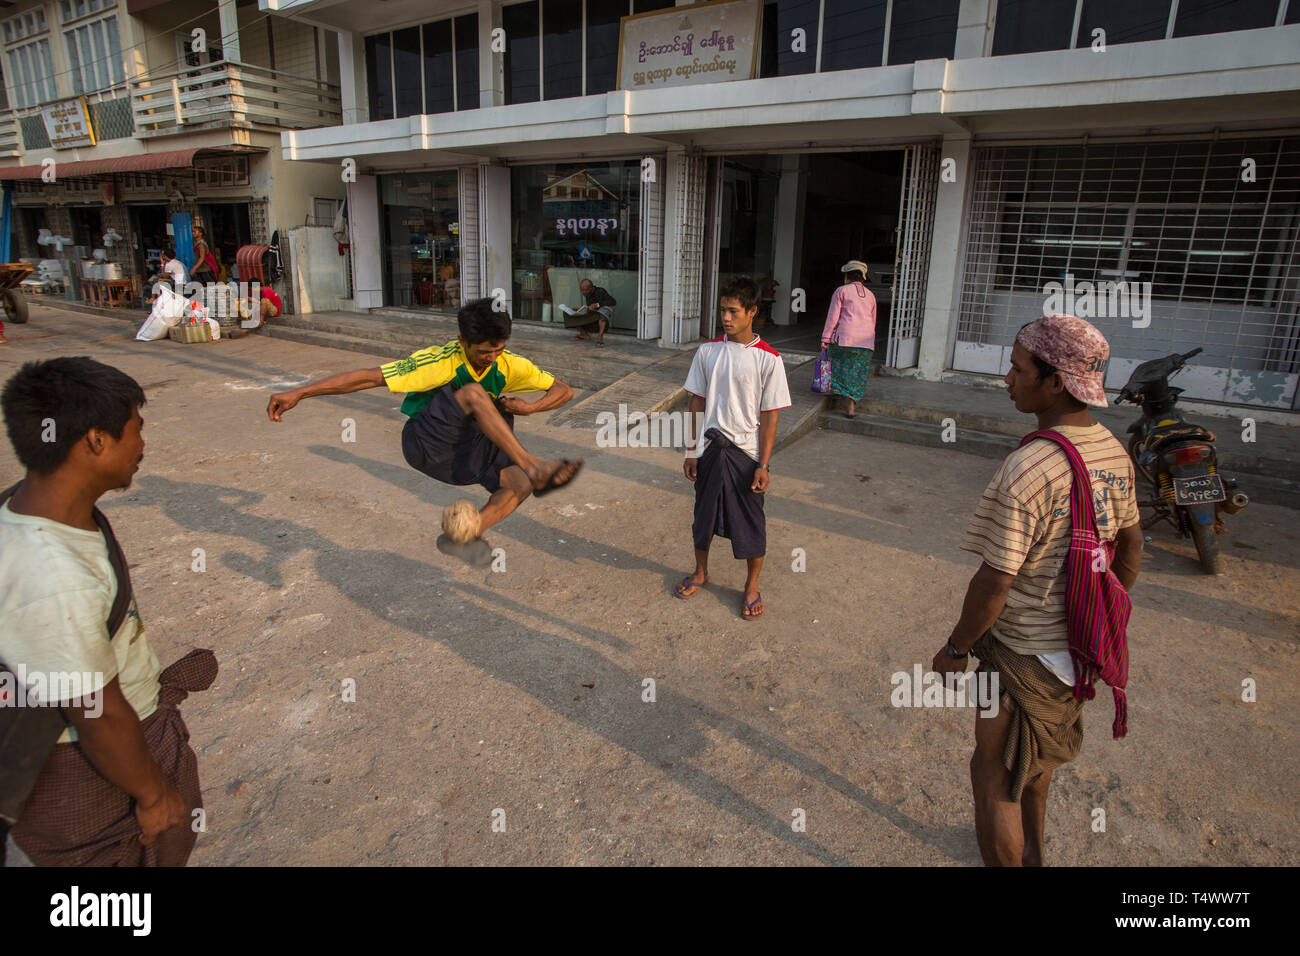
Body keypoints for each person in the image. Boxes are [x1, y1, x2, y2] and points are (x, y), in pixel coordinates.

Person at [930, 314, 1144, 867]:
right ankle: (1035, 859)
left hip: (1020, 652)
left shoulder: (1030, 467)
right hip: (1075, 654)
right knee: (1037, 765)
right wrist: (1102, 619)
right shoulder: (1112, 452)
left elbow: (995, 581)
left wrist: (956, 649)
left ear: (1056, 382)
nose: (1007, 379)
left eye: (1018, 368)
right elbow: (1133, 543)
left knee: (993, 776)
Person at [0, 357, 216, 866]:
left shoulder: (32, 509)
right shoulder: (51, 574)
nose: (142, 446)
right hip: (92, 770)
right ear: (96, 440)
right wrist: (154, 793)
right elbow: (95, 712)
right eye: (136, 431)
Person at [267, 298, 583, 563]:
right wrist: (300, 393)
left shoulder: (509, 364)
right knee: (473, 394)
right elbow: (368, 377)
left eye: (498, 350)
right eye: (483, 352)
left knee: (520, 484)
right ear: (463, 342)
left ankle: (465, 536)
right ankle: (534, 465)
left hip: (467, 456)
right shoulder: (438, 361)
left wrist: (529, 408)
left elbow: (563, 390)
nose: (491, 358)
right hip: (425, 446)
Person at [674, 277, 791, 620]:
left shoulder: (769, 360)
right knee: (703, 515)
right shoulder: (708, 351)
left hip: (746, 454)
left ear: (753, 312)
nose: (726, 317)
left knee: (751, 522)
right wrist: (692, 450)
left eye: (734, 311)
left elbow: (770, 419)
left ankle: (751, 585)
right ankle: (700, 571)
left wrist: (763, 465)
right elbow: (697, 403)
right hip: (711, 449)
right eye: (723, 310)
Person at [820, 260, 877, 418]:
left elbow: (833, 317)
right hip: (866, 344)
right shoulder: (871, 296)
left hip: (845, 339)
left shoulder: (841, 290)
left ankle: (833, 390)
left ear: (847, 276)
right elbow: (873, 321)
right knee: (857, 373)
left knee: (835, 362)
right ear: (863, 277)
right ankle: (851, 406)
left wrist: (826, 337)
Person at [564, 279, 616, 347]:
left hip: (602, 321)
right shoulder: (587, 294)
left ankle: (600, 336)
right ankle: (584, 334)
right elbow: (589, 309)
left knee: (603, 311)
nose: (583, 292)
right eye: (581, 290)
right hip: (592, 319)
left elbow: (613, 302)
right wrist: (579, 310)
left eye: (585, 290)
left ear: (591, 288)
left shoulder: (600, 291)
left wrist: (597, 305)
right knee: (570, 314)